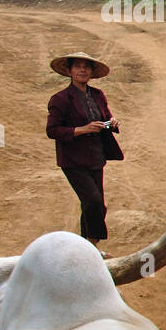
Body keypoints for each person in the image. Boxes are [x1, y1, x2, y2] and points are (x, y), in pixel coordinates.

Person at [46, 52, 122, 253]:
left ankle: (87, 246)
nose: (82, 70)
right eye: (78, 67)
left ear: (91, 72)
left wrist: (112, 122)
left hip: (96, 157)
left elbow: (105, 117)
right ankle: (91, 246)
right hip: (73, 161)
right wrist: (82, 129)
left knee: (93, 204)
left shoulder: (97, 95)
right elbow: (52, 130)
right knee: (93, 201)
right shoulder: (60, 99)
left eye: (86, 67)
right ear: (69, 71)